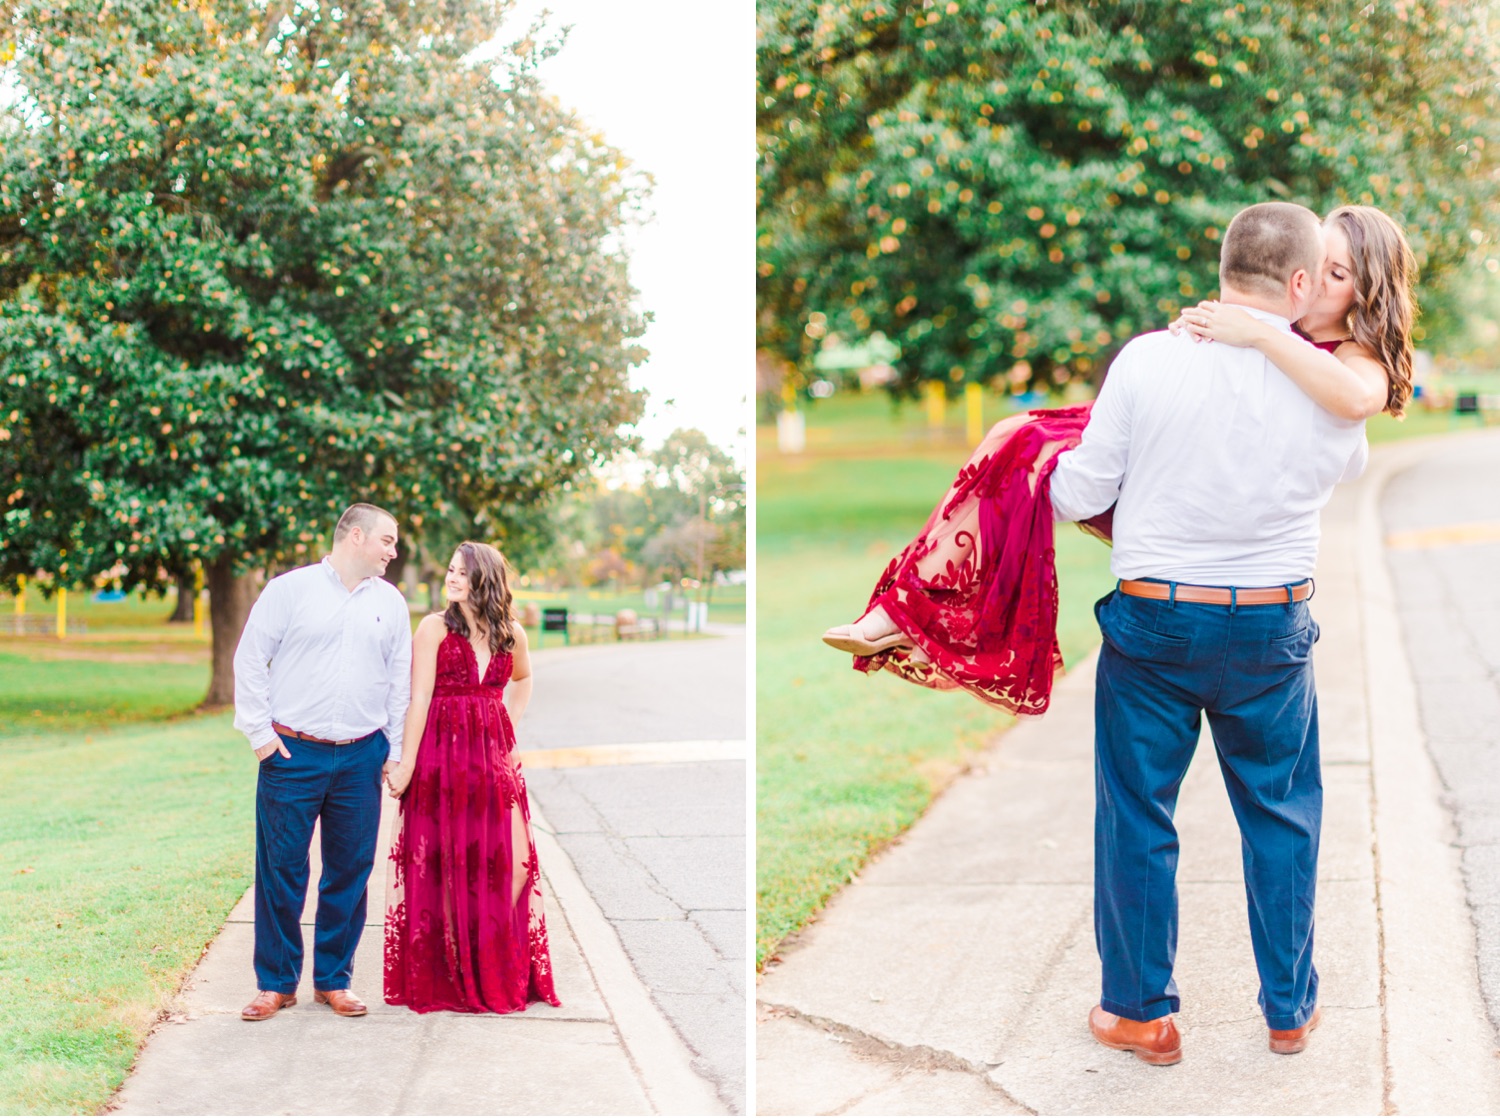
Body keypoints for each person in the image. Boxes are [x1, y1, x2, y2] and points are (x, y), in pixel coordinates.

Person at [821, 204, 1414, 716]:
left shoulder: (1350, 359)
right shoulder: (1269, 336)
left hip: (1200, 588)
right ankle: (915, 609)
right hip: (1222, 556)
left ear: (1364, 293)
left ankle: (933, 618)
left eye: (1338, 273)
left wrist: (1255, 333)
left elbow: (1357, 401)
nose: (1317, 282)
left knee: (1021, 458)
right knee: (1014, 444)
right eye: (1319, 262)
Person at [1048, 201, 1370, 1063]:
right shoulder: (1327, 384)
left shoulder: (1147, 360)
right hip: (1271, 628)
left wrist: (1041, 465)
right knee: (1282, 818)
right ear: (1299, 283)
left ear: (1224, 270)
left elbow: (1079, 494)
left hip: (1155, 622)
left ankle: (1141, 1014)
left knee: (1137, 814)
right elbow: (1342, 466)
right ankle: (1289, 1010)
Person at [232, 502, 412, 1022]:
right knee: (281, 869)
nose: (393, 551)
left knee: (349, 871)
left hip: (361, 755)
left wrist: (394, 752)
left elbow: (399, 683)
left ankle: (334, 979)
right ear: (355, 536)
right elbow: (250, 658)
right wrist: (261, 735)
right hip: (293, 753)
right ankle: (276, 982)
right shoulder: (289, 590)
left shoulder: (391, 602)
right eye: (387, 540)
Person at [382, 541, 559, 1013]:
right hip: (439, 758)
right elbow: (419, 698)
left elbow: (523, 680)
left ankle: (486, 956)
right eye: (451, 570)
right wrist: (406, 763)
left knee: (514, 863)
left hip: (492, 761)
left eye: (462, 572)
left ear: (485, 579)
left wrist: (506, 724)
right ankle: (451, 968)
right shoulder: (434, 628)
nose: (452, 578)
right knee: (444, 862)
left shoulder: (511, 633)